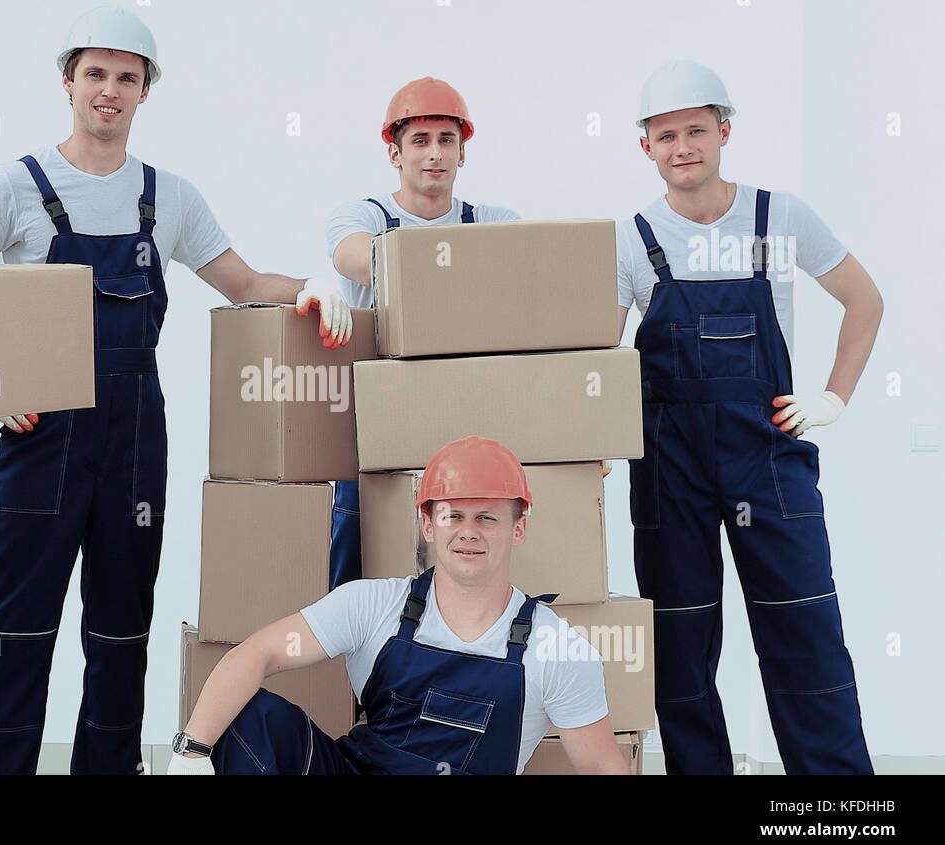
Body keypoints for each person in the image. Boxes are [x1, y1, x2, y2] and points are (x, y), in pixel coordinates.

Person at [0, 5, 353, 774]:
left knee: (120, 638)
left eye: (127, 77)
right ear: (68, 81)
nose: (110, 90)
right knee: (11, 634)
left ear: (144, 93)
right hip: (38, 448)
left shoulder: (169, 198)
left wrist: (316, 285)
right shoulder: (15, 187)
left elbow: (245, 282)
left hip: (132, 449)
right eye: (95, 73)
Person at [617, 61, 883, 774]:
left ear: (724, 131)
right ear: (646, 146)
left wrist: (833, 396)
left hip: (770, 454)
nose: (682, 147)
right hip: (669, 463)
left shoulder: (780, 215)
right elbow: (597, 358)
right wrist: (596, 439)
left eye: (696, 130)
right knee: (680, 644)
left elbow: (865, 299)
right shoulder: (631, 237)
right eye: (665, 135)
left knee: (805, 632)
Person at [168, 436, 629, 775]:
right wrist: (189, 753)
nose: (469, 532)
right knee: (250, 715)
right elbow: (257, 654)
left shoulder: (555, 648)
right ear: (428, 525)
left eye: (487, 517)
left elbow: (603, 770)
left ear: (518, 529)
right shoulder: (373, 606)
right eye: (453, 516)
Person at [324, 77, 522, 590]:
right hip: (377, 433)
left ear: (462, 152)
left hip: (471, 422)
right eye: (420, 141)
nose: (435, 154)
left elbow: (532, 294)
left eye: (447, 141)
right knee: (358, 574)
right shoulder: (363, 216)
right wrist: (469, 269)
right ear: (394, 152)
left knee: (464, 577)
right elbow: (356, 257)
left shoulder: (497, 220)